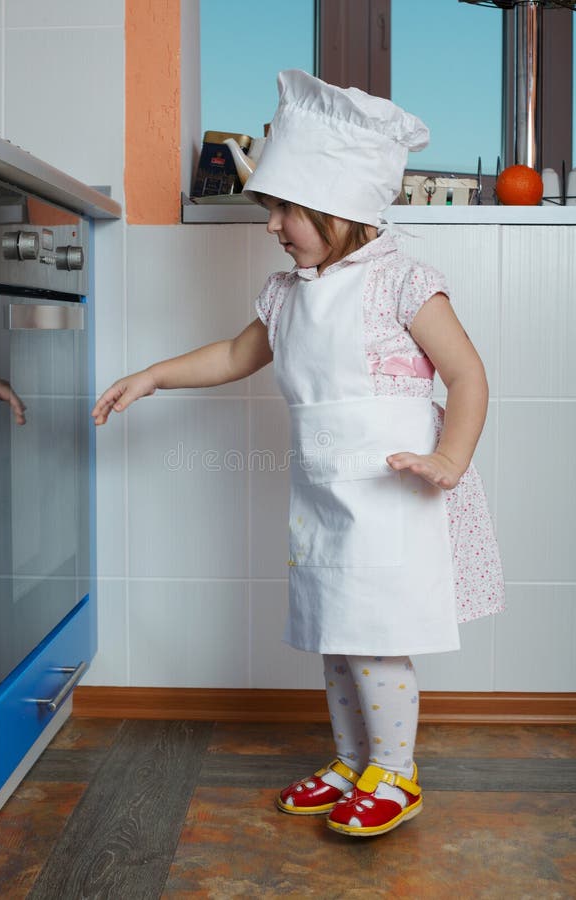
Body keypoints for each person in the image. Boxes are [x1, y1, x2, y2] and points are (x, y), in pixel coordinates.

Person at [92, 70, 504, 838]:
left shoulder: (404, 282)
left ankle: (396, 772)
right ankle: (352, 761)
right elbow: (231, 356)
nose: (273, 224)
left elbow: (466, 373)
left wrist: (449, 457)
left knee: (376, 641)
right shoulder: (286, 293)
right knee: (335, 637)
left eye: (287, 208)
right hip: (323, 496)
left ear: (343, 207)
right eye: (270, 207)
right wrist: (152, 375)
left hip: (393, 495)